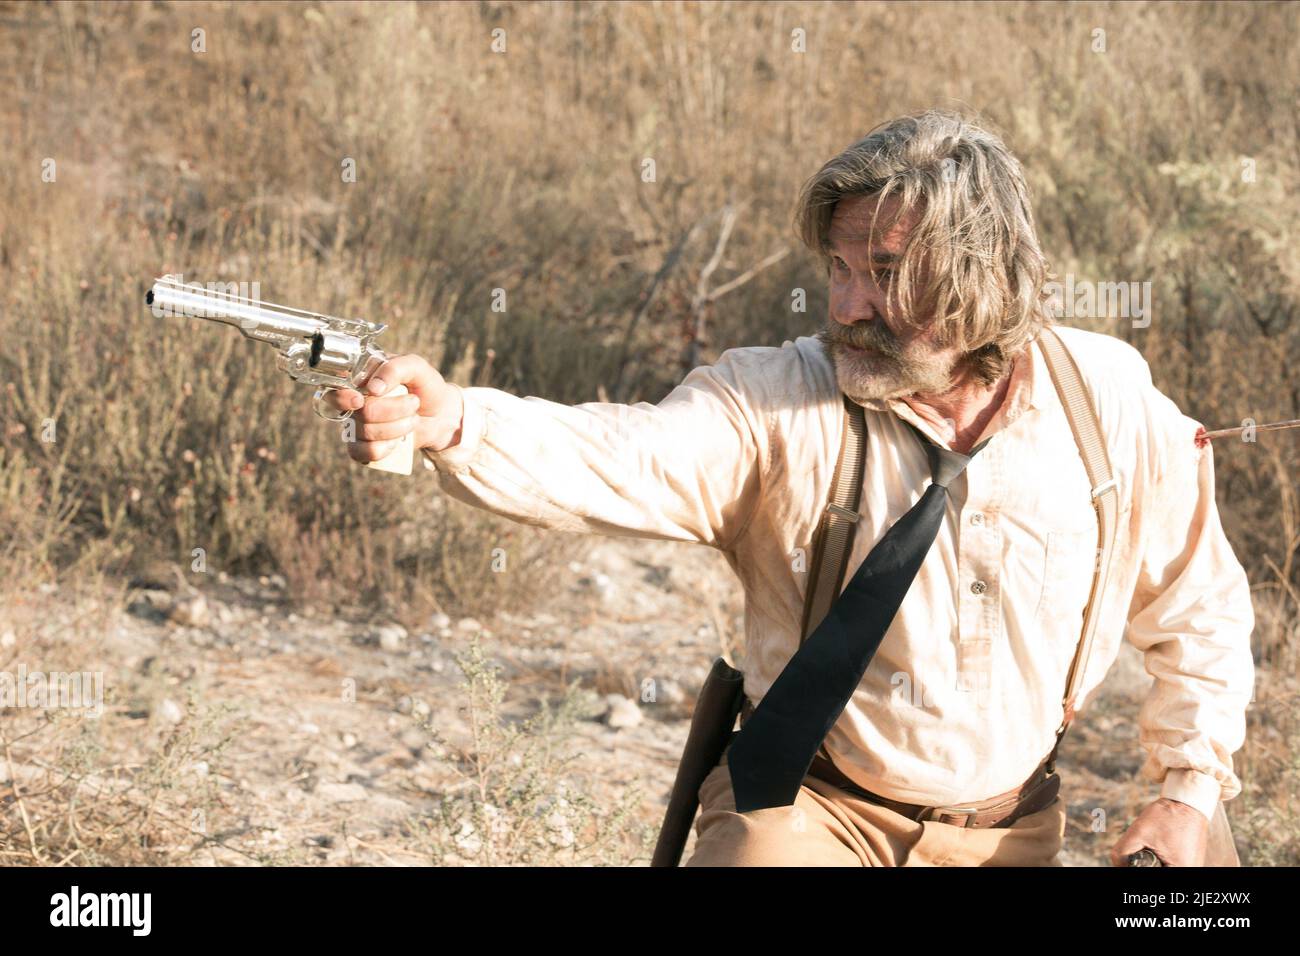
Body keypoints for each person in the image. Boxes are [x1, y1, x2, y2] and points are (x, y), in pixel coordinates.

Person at [325, 110, 1255, 867]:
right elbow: (624, 454)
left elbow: (1199, 607)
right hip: (809, 807)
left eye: (886, 275)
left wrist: (1185, 789)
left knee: (1208, 868)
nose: (847, 307)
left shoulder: (1107, 402)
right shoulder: (777, 401)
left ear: (982, 278)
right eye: (840, 271)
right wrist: (455, 423)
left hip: (1009, 829)